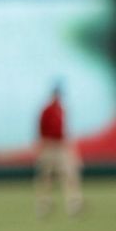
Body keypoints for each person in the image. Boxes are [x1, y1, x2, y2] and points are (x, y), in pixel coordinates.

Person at [35, 85, 83, 218]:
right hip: (49, 146)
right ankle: (43, 205)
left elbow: (64, 131)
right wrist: (42, 147)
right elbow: (41, 130)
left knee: (69, 176)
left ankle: (73, 205)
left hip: (60, 146)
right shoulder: (47, 110)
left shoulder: (61, 110)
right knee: (46, 178)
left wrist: (71, 149)